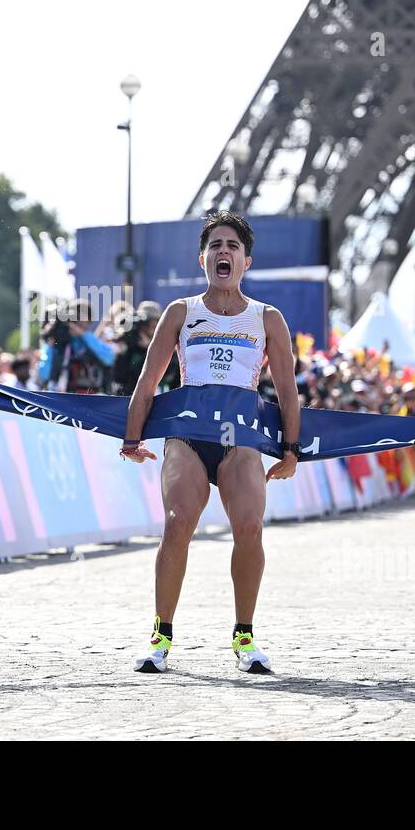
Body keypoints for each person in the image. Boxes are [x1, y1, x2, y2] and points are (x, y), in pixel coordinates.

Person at [120, 211, 300, 674]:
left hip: (239, 439)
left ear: (246, 261)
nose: (224, 252)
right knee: (178, 522)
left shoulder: (267, 319)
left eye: (233, 247)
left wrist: (291, 450)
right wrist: (132, 436)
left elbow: (286, 391)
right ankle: (161, 636)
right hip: (187, 436)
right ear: (203, 259)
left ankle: (244, 636)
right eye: (216, 246)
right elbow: (148, 380)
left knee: (251, 528)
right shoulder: (181, 312)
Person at [38, 300, 115, 393]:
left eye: (84, 320)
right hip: (62, 396)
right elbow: (44, 374)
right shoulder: (59, 343)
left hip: (88, 396)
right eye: (76, 319)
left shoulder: (89, 341)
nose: (79, 323)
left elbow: (109, 358)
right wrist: (51, 344)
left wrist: (83, 334)